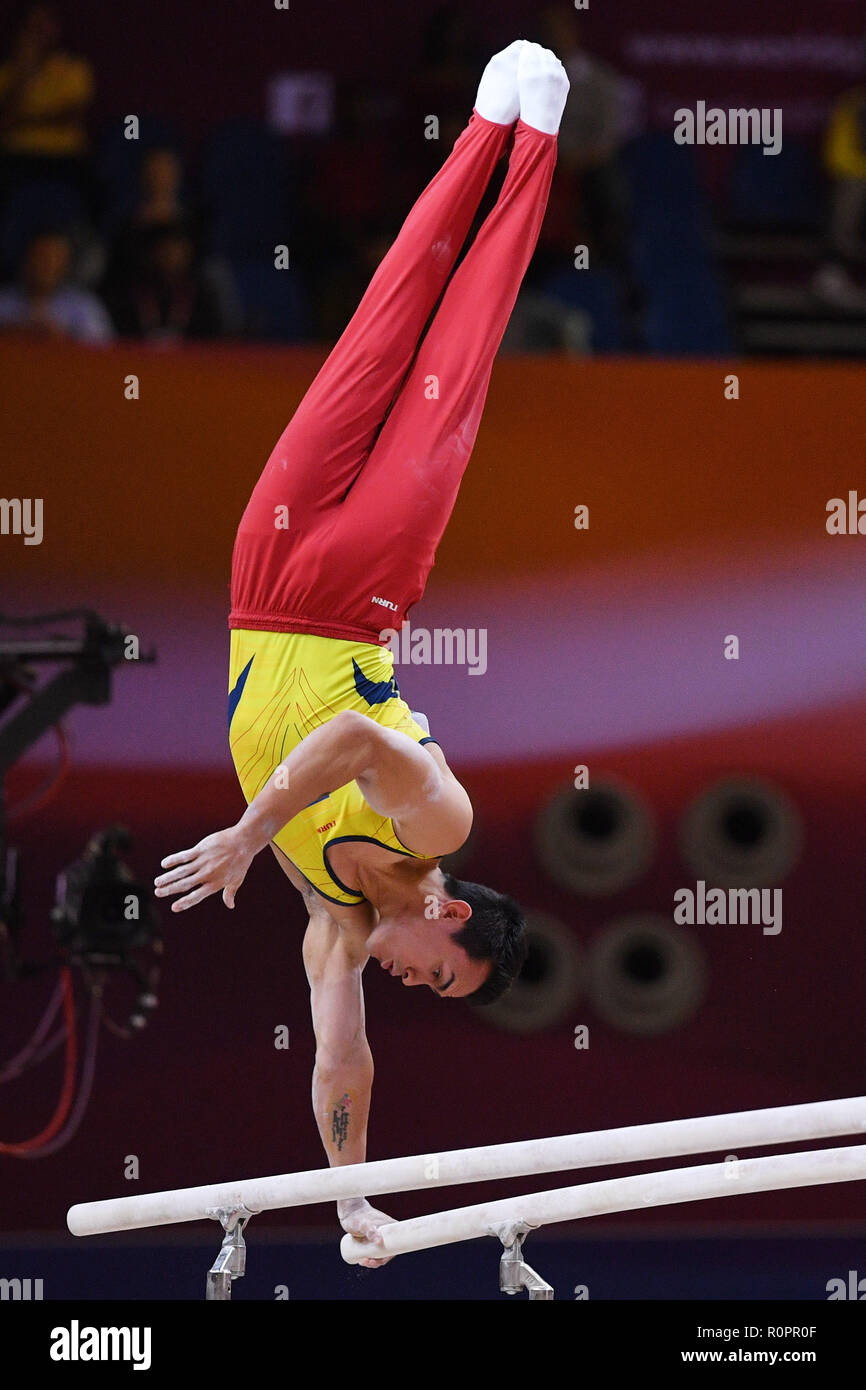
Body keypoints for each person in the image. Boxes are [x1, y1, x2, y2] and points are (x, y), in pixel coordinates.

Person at [154, 42, 569, 1267]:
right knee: (442, 361)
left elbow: (342, 1054)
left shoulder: (330, 917)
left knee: (372, 325)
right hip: (358, 589)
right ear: (450, 916)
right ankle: (520, 137)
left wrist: (352, 1201)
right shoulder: (436, 827)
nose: (412, 984)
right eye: (441, 977)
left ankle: (480, 129)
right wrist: (246, 829)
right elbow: (343, 739)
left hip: (258, 578)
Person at [0, 3, 94, 196]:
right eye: (35, 26)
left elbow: (71, 116)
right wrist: (24, 74)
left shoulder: (73, 68)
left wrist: (26, 118)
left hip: (64, 156)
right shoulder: (9, 73)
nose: (41, 32)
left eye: (46, 25)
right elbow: (6, 120)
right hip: (18, 156)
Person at [0, 227, 112, 342]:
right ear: (26, 258)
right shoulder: (4, 301)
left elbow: (102, 351)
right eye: (41, 257)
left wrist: (61, 339)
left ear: (66, 264)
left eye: (55, 259)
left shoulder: (84, 307)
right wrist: (14, 331)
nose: (46, 266)